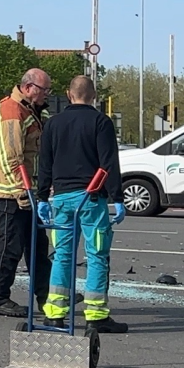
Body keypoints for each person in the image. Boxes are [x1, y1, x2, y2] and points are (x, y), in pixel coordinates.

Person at [36, 76, 127, 332]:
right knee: (97, 255)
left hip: (62, 198)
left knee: (62, 255)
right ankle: (96, 316)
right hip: (91, 198)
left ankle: (54, 312)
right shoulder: (101, 122)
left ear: (68, 94)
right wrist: (117, 198)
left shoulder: (53, 124)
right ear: (94, 95)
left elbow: (45, 163)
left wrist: (43, 196)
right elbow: (108, 163)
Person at [0, 68, 53, 317]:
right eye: (45, 90)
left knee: (37, 246)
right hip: (10, 192)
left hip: (24, 189)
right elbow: (12, 156)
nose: (47, 94)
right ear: (28, 87)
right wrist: (21, 191)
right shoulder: (12, 110)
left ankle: (47, 297)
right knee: (11, 246)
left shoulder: (29, 110)